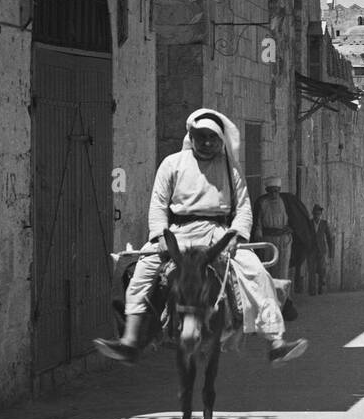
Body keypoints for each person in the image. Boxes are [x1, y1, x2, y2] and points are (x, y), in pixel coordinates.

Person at [94, 109, 307, 366]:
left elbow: (243, 207)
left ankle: (275, 341)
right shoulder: (171, 164)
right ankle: (130, 341)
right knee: (141, 271)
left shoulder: (230, 167)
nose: (207, 142)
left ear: (220, 139)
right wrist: (161, 235)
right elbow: (158, 205)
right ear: (190, 136)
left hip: (217, 231)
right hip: (178, 232)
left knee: (257, 274)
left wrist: (235, 236)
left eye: (212, 137)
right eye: (201, 136)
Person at [254, 176, 293, 282]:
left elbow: (292, 218)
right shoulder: (263, 203)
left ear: (279, 190)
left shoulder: (284, 202)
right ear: (267, 191)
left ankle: (284, 296)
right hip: (269, 240)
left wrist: (289, 230)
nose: (274, 194)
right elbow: (258, 224)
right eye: (271, 191)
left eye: (276, 191)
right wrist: (259, 237)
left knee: (283, 268)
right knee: (269, 267)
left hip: (284, 240)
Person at [309, 204, 335, 295]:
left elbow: (329, 238)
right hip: (311, 250)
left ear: (321, 214)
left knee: (321, 270)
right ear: (313, 214)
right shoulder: (309, 223)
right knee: (311, 270)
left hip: (321, 250)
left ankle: (321, 290)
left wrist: (331, 253)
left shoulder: (324, 223)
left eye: (319, 214)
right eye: (315, 214)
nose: (317, 215)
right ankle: (312, 291)